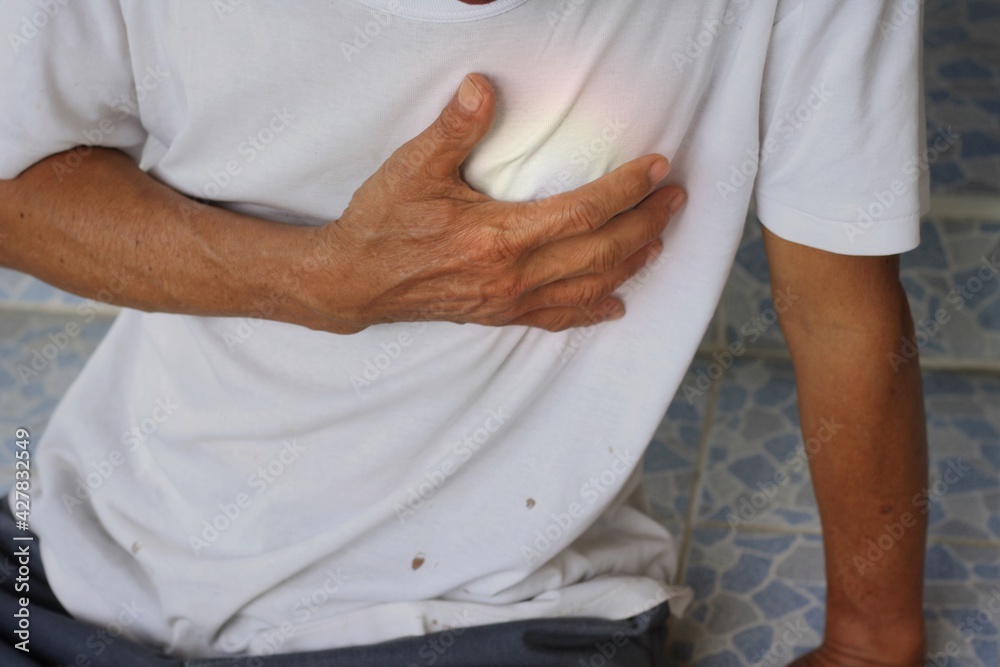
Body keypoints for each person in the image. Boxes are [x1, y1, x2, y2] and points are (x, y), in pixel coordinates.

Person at [0, 1, 930, 665]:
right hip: (92, 548)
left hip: (487, 609)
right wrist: (327, 281)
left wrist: (870, 637)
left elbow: (838, 306)